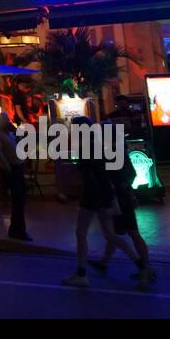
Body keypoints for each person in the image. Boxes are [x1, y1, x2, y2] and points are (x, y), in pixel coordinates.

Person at [62, 118, 154, 288]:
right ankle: (141, 265)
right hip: (106, 195)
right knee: (111, 235)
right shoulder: (101, 146)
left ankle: (82, 273)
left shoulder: (87, 147)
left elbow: (85, 174)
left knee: (82, 232)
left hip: (93, 195)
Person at [93, 134, 147, 272]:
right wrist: (128, 189)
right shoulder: (120, 151)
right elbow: (132, 174)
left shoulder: (108, 154)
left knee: (126, 232)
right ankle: (104, 262)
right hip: (123, 195)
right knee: (116, 233)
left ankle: (145, 267)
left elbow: (108, 177)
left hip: (118, 198)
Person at [0, 113, 30, 241]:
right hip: (12, 169)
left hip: (18, 167)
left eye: (8, 119)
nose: (8, 121)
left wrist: (17, 132)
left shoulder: (9, 133)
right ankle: (18, 230)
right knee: (18, 200)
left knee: (20, 200)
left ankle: (16, 229)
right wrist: (8, 168)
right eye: (6, 119)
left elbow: (20, 144)